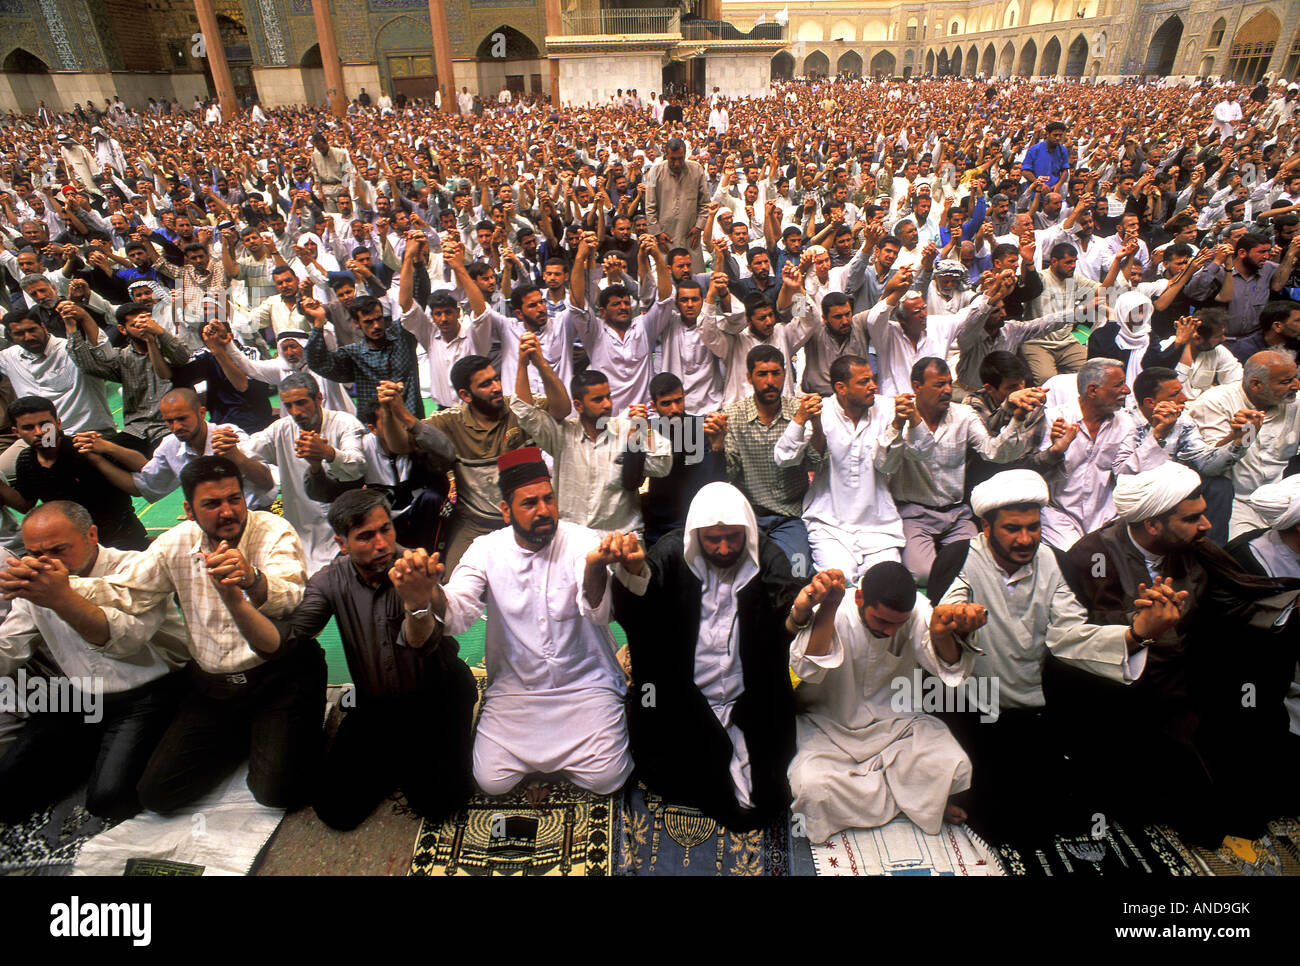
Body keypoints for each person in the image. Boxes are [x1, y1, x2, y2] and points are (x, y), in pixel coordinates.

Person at [208, 489, 477, 830]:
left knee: (440, 804)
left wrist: (416, 602)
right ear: (342, 543)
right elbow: (282, 643)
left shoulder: (415, 569)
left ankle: (409, 756)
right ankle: (398, 756)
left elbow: (420, 643)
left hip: (437, 693)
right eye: (365, 536)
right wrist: (234, 599)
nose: (382, 544)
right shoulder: (329, 581)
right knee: (335, 810)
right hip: (375, 703)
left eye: (386, 530)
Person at [1057, 462, 1300, 840]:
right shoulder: (1095, 555)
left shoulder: (1193, 549)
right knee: (1200, 806)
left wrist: (1291, 607)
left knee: (1250, 727)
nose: (1206, 526)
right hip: (1123, 690)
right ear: (1153, 524)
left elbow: (1234, 603)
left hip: (1188, 676)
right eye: (1193, 518)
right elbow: (1088, 635)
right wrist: (1143, 624)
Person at [67, 456, 321, 812]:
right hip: (213, 686)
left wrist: (252, 577)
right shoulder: (175, 543)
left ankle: (274, 731)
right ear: (188, 509)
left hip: (279, 676)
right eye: (212, 504)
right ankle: (247, 736)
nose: (228, 512)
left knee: (277, 793)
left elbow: (289, 595)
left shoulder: (272, 530)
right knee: (158, 795)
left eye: (234, 499)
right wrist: (61, 589)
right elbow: (127, 592)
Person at [927, 470, 1168, 838]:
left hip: (1036, 710)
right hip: (973, 709)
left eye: (1033, 527)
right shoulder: (961, 558)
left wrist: (1138, 634)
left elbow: (1069, 636)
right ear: (986, 527)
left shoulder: (1053, 561)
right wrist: (957, 623)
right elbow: (947, 618)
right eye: (1013, 528)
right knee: (991, 815)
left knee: (1057, 812)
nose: (1025, 539)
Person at [613, 481, 826, 828]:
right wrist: (634, 572)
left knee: (769, 782)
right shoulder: (670, 553)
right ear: (697, 535)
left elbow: (783, 620)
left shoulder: (767, 555)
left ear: (747, 533)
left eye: (733, 538)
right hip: (681, 692)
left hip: (749, 690)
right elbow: (639, 617)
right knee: (676, 762)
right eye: (713, 539)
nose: (725, 548)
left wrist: (800, 608)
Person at [427, 446, 634, 795]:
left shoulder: (582, 541)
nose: (544, 511)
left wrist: (596, 567)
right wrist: (428, 591)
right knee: (491, 781)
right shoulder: (485, 549)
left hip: (585, 683)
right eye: (530, 503)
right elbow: (456, 612)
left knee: (608, 778)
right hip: (516, 690)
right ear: (505, 510)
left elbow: (601, 613)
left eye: (548, 499)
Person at [0, 502, 188, 822]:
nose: (46, 562)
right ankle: (93, 748)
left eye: (59, 549)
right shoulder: (38, 580)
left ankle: (109, 748)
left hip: (150, 688)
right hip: (82, 692)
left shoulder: (135, 568)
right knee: (6, 794)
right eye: (34, 553)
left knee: (110, 800)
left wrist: (60, 597)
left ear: (91, 535)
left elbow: (126, 644)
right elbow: (10, 645)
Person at [789, 561, 987, 843]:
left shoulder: (917, 608)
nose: (892, 632)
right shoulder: (836, 606)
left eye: (899, 624)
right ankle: (918, 800)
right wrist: (829, 608)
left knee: (953, 762)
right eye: (882, 621)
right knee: (812, 788)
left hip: (897, 727)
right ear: (859, 598)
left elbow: (948, 667)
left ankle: (895, 797)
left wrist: (942, 635)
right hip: (829, 730)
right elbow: (806, 668)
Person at [238, 373, 366, 574]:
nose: (295, 412)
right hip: (301, 529)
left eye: (301, 403)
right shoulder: (281, 429)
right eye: (288, 406)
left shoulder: (345, 424)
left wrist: (329, 453)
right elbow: (248, 449)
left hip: (346, 527)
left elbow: (357, 466)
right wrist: (230, 449)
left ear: (319, 398)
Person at [0, 396, 148, 550]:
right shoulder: (26, 461)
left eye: (45, 425)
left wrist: (110, 448)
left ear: (58, 423)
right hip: (73, 543)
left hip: (120, 536)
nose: (39, 433)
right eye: (28, 427)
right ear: (16, 432)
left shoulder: (86, 448)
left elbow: (141, 474)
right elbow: (25, 505)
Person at [1186, 350, 1300, 538]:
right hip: (1238, 502)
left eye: (1295, 378)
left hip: (1285, 498)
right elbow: (1209, 468)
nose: (1296, 385)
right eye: (1286, 382)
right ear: (1256, 385)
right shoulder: (1216, 403)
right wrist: (1241, 439)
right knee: (1246, 556)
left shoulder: (1295, 402)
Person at [1038, 358, 1137, 550]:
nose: (1127, 390)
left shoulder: (1125, 422)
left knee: (1100, 564)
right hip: (1058, 515)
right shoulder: (1054, 419)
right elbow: (1038, 474)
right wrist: (1056, 450)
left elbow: (1125, 473)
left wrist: (1157, 436)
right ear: (1093, 390)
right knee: (1079, 559)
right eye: (1119, 384)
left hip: (1105, 516)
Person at [622, 372, 727, 546]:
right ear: (654, 406)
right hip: (660, 528)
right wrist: (635, 437)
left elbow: (717, 485)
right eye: (666, 403)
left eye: (678, 400)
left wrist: (718, 447)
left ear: (684, 397)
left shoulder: (702, 428)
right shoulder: (650, 431)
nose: (675, 409)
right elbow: (631, 483)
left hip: (699, 523)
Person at [645, 138, 709, 272]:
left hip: (690, 235)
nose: (677, 163)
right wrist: (657, 233)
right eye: (673, 159)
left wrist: (699, 227)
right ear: (666, 155)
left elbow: (705, 204)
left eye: (680, 158)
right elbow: (649, 207)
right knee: (668, 279)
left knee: (694, 276)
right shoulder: (653, 172)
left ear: (685, 154)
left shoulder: (697, 169)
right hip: (665, 238)